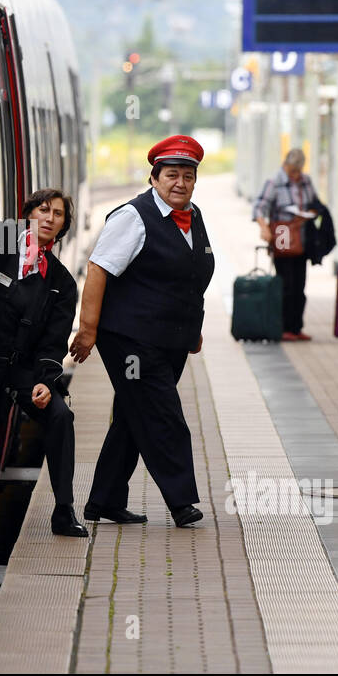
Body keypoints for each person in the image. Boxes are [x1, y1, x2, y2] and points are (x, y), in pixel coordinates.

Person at [70, 135, 215, 528]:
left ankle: (104, 500)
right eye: (171, 175)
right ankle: (182, 501)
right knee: (163, 414)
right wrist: (88, 329)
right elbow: (98, 269)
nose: (180, 183)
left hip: (170, 340)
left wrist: (193, 329)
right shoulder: (132, 217)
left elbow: (191, 277)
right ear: (154, 178)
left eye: (188, 176)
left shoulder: (194, 216)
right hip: (130, 339)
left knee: (134, 415)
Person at [0, 188, 86, 538]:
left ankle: (64, 511)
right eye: (43, 210)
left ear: (63, 227)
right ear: (28, 213)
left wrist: (45, 380)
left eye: (58, 215)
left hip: (23, 369)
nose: (49, 218)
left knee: (60, 416)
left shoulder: (62, 282)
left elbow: (54, 341)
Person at [252, 149, 319, 341]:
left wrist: (310, 213)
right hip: (282, 237)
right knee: (285, 284)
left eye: (298, 171)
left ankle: (296, 327)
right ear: (285, 165)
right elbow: (259, 207)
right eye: (292, 171)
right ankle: (282, 327)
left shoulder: (306, 181)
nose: (296, 176)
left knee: (300, 286)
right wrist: (264, 228)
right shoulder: (274, 183)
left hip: (301, 238)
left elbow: (314, 203)